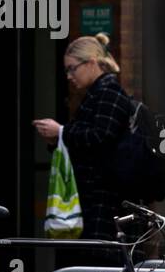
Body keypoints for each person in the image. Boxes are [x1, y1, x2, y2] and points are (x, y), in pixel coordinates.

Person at [33, 33, 136, 242]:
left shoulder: (109, 92)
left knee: (96, 269)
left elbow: (100, 137)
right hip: (93, 205)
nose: (69, 76)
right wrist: (57, 141)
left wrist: (61, 131)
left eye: (72, 68)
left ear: (90, 63)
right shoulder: (96, 93)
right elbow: (88, 143)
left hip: (104, 207)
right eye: (66, 70)